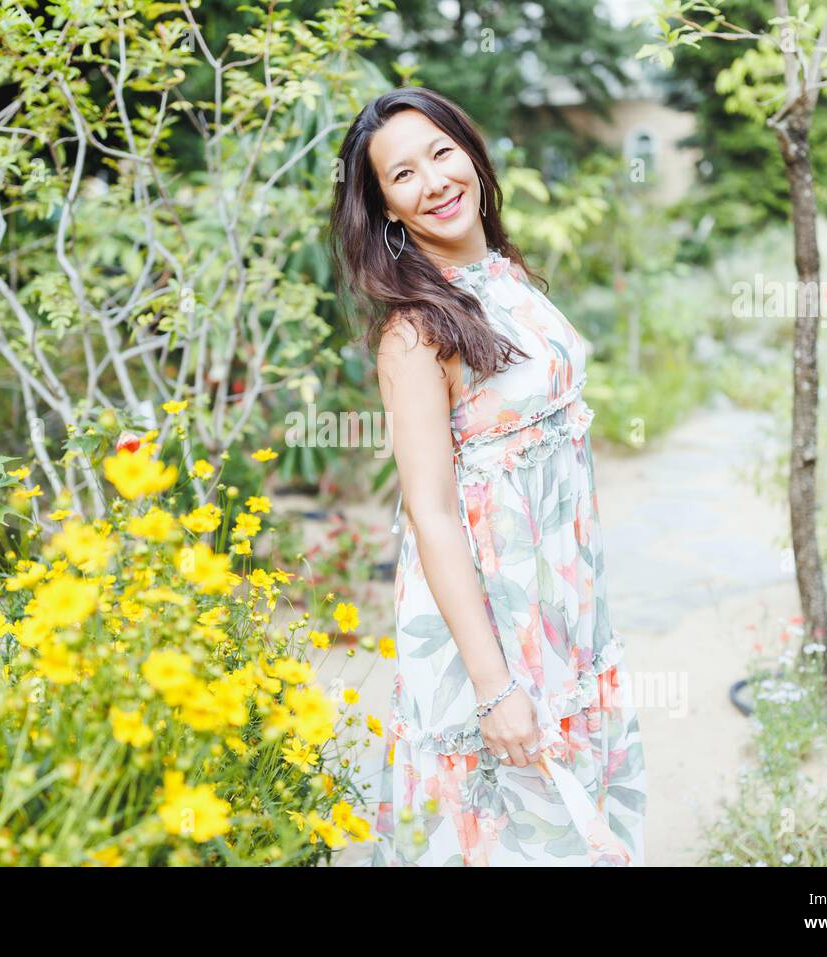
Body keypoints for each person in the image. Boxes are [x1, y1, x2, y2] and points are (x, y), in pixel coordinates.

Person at [326, 87, 647, 866]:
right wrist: (494, 685)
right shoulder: (414, 332)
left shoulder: (502, 276)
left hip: (560, 610)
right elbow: (429, 513)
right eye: (403, 175)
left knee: (571, 817)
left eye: (441, 153)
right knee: (512, 833)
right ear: (387, 210)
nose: (433, 181)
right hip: (492, 629)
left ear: (470, 153)